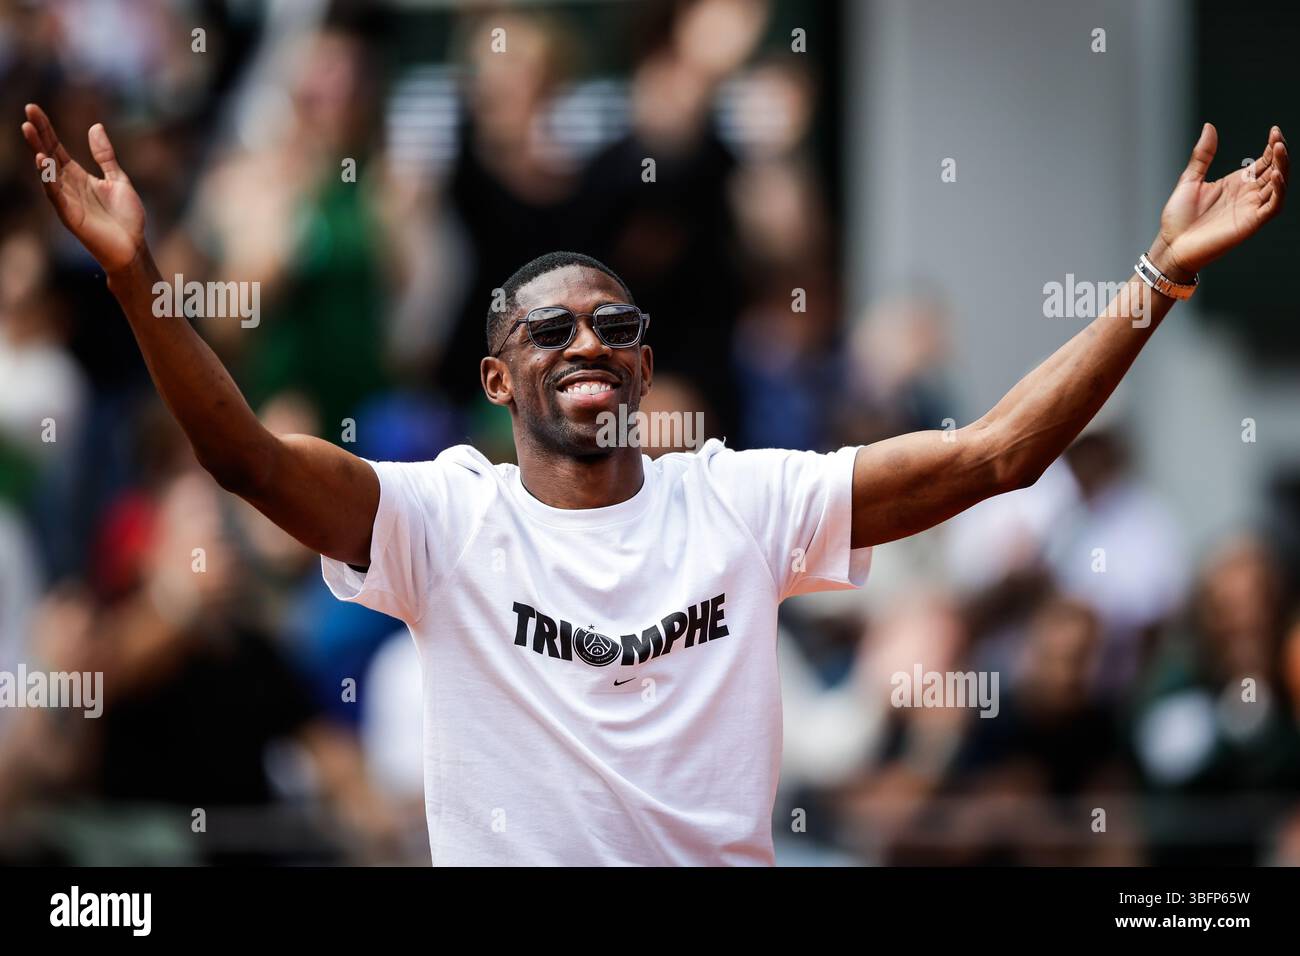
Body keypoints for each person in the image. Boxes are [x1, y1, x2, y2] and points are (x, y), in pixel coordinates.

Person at [20, 103, 1288, 865]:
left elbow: (996, 454)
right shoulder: (442, 517)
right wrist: (139, 283)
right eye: (550, 331)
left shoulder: (740, 501)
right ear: (496, 378)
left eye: (615, 325)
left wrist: (1157, 278)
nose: (588, 343)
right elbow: (240, 453)